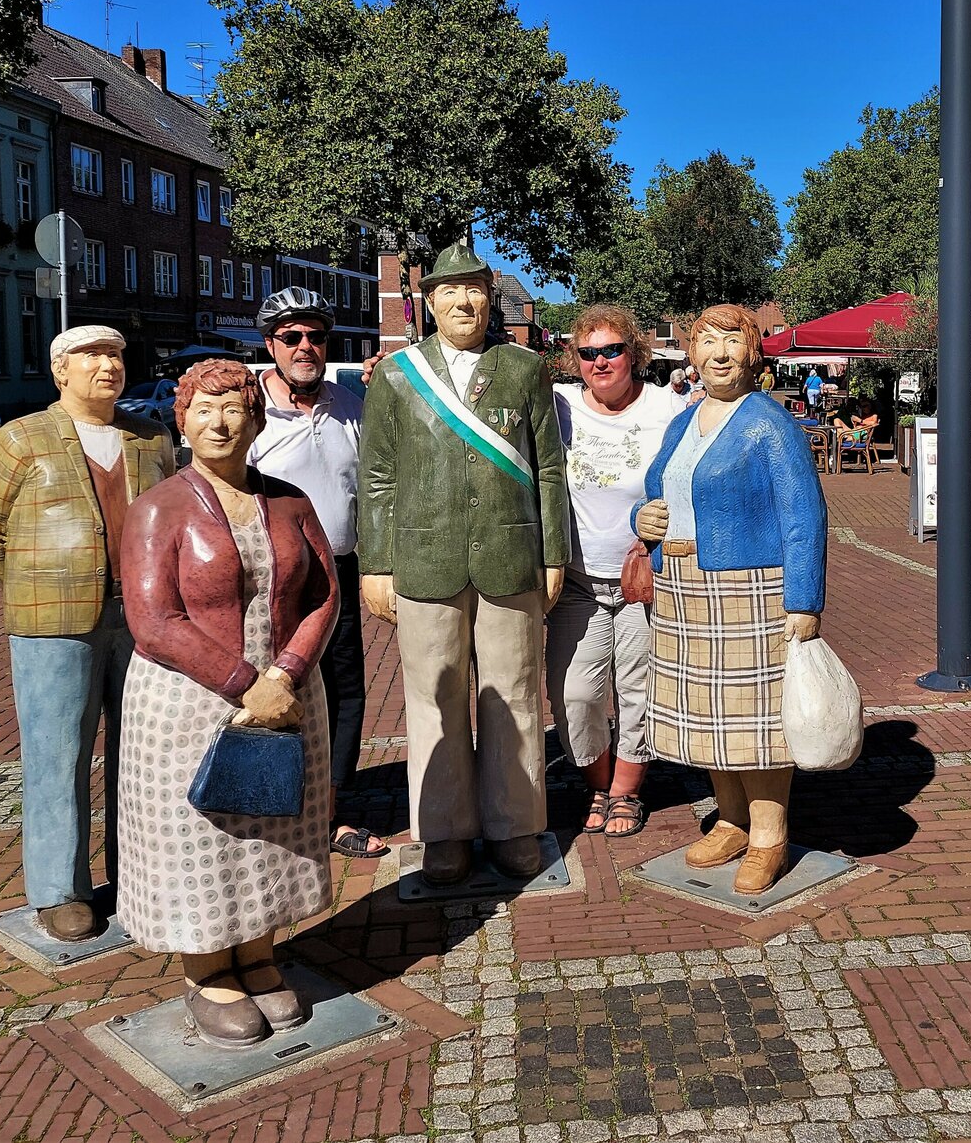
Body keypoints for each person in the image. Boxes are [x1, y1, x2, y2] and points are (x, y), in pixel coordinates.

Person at [116, 359, 340, 1048]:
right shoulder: (160, 508)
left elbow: (325, 594)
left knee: (275, 830)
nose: (219, 423)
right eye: (203, 409)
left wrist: (289, 671)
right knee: (205, 835)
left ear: (256, 418)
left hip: (288, 692)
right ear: (180, 420)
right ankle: (207, 967)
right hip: (191, 699)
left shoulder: (291, 501)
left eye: (234, 409)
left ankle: (259, 954)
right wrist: (249, 684)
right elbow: (153, 620)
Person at [358, 238, 570, 885]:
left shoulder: (524, 369)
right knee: (433, 699)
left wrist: (553, 553)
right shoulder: (398, 374)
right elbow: (379, 477)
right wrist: (376, 563)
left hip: (511, 556)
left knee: (514, 695)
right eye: (449, 290)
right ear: (427, 302)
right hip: (424, 558)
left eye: (474, 289)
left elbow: (550, 471)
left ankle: (515, 824)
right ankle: (445, 831)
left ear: (490, 297)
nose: (463, 301)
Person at [0, 325, 175, 942]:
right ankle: (60, 889)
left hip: (141, 617)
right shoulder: (20, 440)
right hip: (53, 619)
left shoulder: (150, 437)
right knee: (56, 755)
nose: (108, 366)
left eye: (116, 355)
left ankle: (135, 873)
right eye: (92, 356)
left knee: (140, 753)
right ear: (60, 370)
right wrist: (44, 584)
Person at [634, 304, 827, 896]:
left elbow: (806, 515)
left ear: (754, 352)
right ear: (691, 353)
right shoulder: (682, 423)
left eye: (733, 341)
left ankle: (769, 833)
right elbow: (659, 489)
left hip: (751, 585)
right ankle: (731, 820)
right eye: (707, 341)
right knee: (715, 716)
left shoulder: (770, 424)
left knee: (759, 720)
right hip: (686, 585)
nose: (719, 354)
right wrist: (644, 519)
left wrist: (804, 600)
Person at [246, 286, 387, 860]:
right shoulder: (247, 406)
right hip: (270, 578)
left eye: (316, 337)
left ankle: (332, 811)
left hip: (340, 572)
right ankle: (269, 809)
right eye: (292, 337)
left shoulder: (349, 404)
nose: (306, 347)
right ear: (270, 345)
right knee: (273, 687)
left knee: (345, 691)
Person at [548, 306, 680, 839]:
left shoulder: (668, 410)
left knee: (638, 691)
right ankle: (597, 782)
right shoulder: (556, 406)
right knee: (573, 695)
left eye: (612, 350)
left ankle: (624, 792)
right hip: (579, 582)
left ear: (635, 354)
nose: (600, 361)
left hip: (645, 582)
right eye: (588, 353)